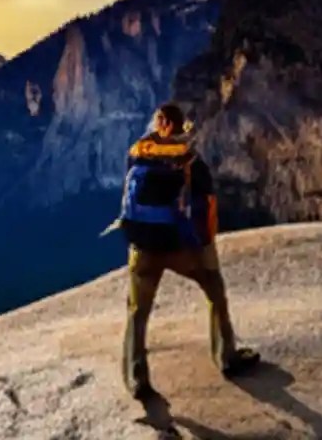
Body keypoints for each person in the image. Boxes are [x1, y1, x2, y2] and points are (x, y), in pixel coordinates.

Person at [109, 102, 259, 399]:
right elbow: (206, 203)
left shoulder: (138, 153)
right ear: (178, 126)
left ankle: (136, 378)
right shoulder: (189, 160)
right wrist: (204, 245)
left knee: (137, 312)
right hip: (181, 247)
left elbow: (128, 197)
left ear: (159, 123)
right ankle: (226, 357)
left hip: (142, 248)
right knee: (214, 291)